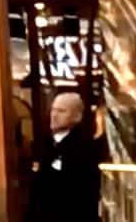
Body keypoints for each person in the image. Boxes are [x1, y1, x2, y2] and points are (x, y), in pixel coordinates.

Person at [24, 92, 101, 222]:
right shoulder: (43, 144)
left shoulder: (84, 148)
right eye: (53, 110)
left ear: (77, 116)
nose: (54, 115)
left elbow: (83, 194)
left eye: (61, 111)